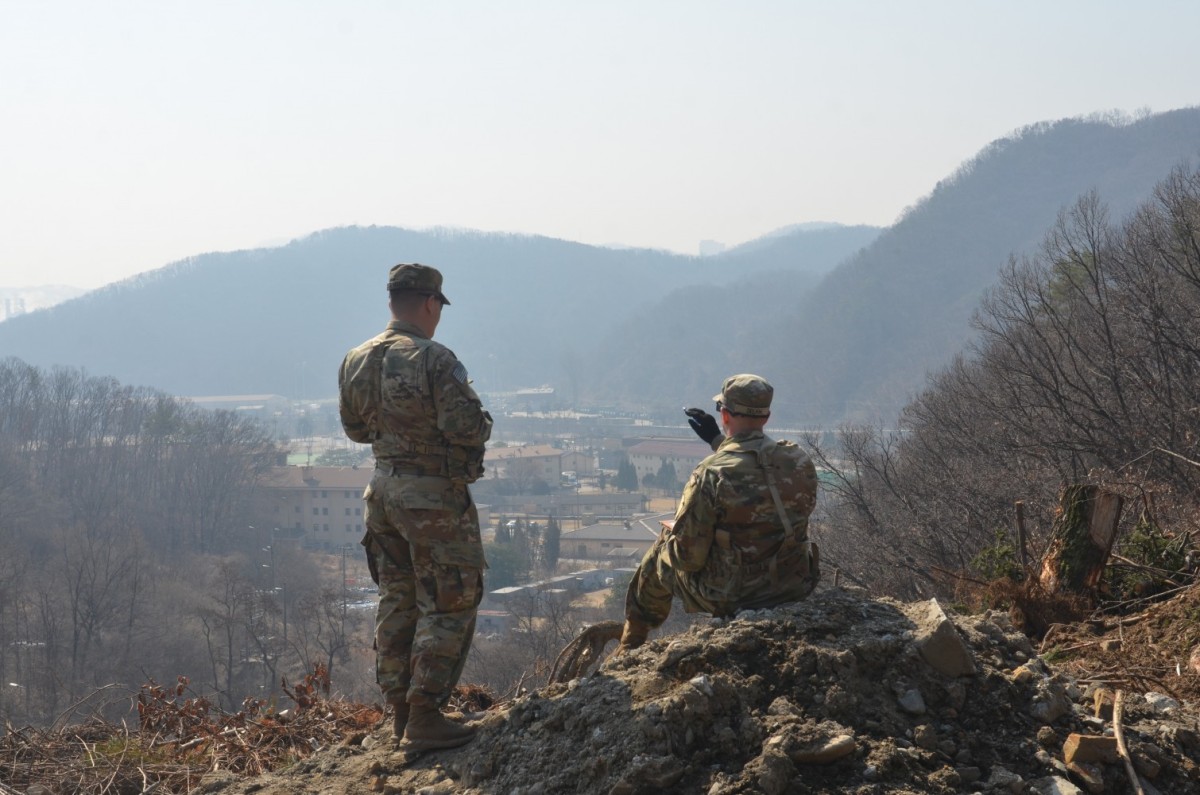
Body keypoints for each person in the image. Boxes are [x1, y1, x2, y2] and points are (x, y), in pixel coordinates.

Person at [338, 263, 493, 750]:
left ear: (391, 302)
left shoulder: (355, 359)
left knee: (398, 599)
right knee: (449, 602)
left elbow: (356, 430)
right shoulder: (433, 359)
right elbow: (469, 426)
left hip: (382, 492)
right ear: (430, 303)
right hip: (433, 501)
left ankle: (401, 713)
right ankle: (426, 714)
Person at [616, 374, 820, 652]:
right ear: (767, 417)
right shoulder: (799, 460)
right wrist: (716, 440)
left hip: (736, 594)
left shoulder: (711, 473)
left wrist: (671, 540)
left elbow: (687, 558)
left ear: (724, 415)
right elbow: (760, 467)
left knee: (662, 548)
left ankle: (631, 644)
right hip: (792, 584)